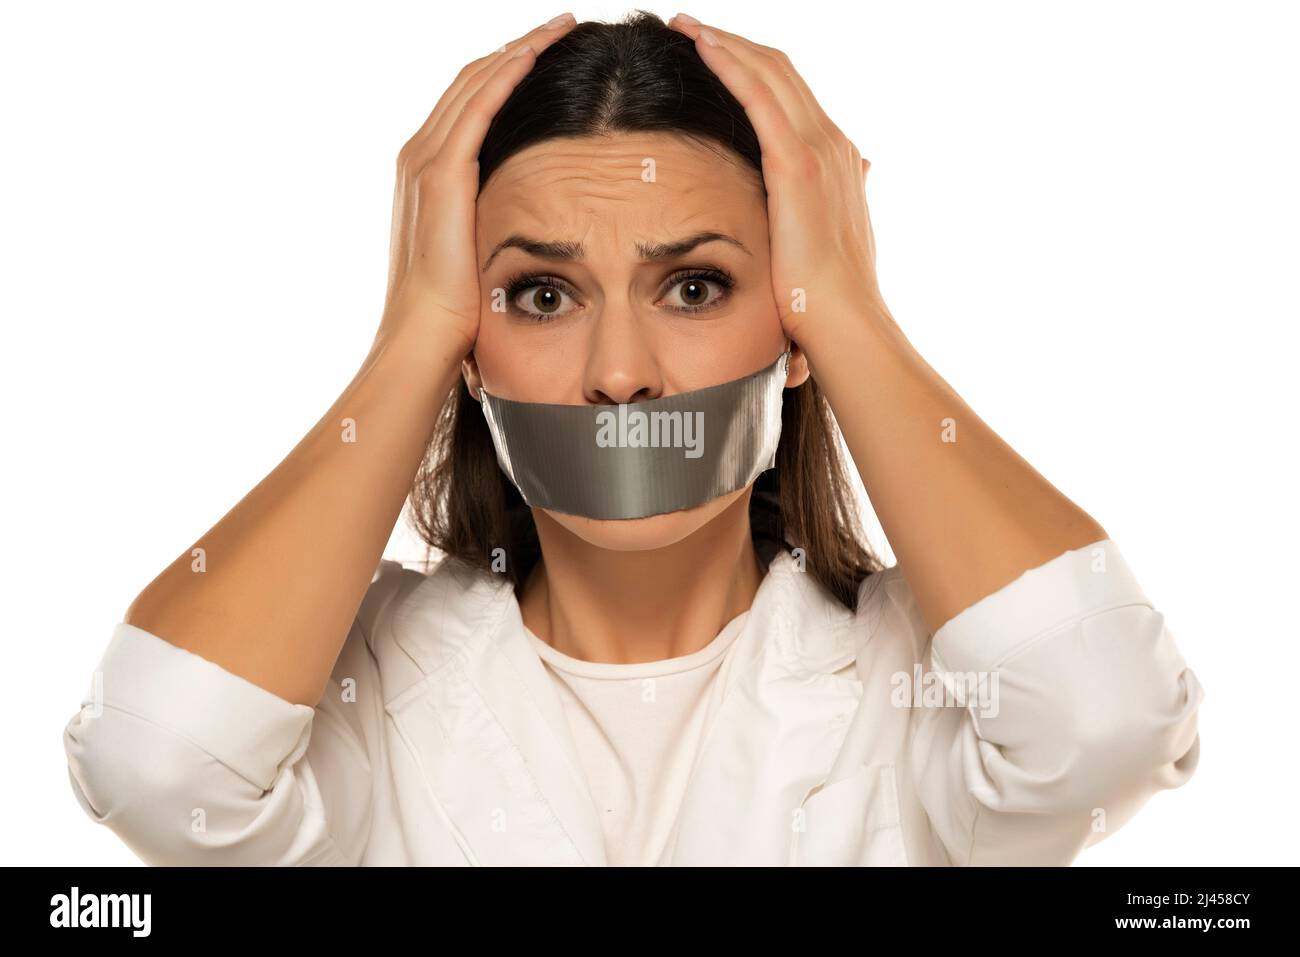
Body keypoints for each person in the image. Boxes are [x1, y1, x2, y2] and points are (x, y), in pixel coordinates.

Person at [62, 10, 1203, 866]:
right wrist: (409, 337)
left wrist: (850, 311)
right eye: (541, 297)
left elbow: (1104, 727)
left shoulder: (921, 688)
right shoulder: (353, 691)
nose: (619, 376)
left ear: (794, 327)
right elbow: (157, 765)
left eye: (696, 287)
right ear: (468, 341)